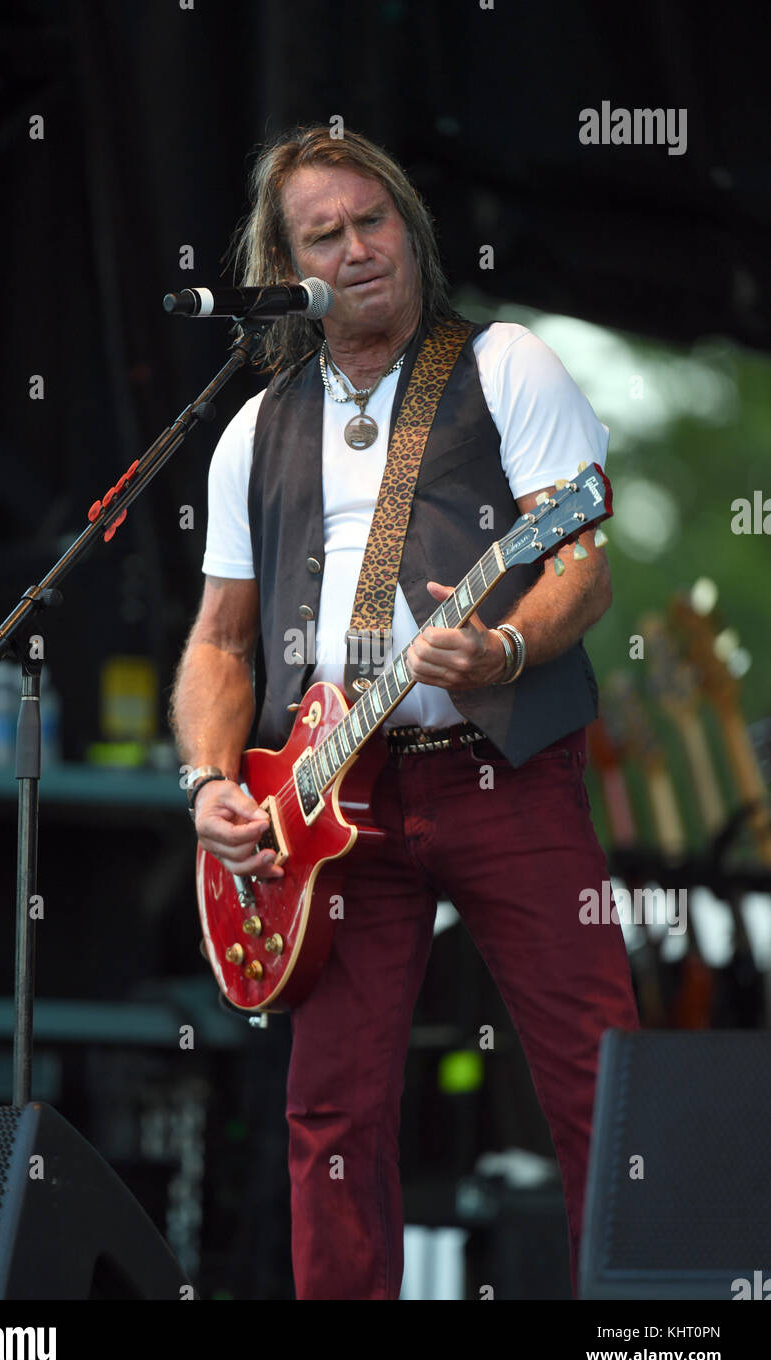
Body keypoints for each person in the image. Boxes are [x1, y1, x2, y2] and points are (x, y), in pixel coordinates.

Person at [170, 124, 640, 1300]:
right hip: (326, 801)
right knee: (328, 1110)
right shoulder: (251, 427)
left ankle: (646, 1321)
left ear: (411, 230)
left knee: (599, 1070)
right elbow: (222, 642)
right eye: (322, 235)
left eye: (372, 220)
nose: (356, 247)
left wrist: (508, 645)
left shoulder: (504, 365)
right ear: (286, 269)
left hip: (499, 770)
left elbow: (577, 558)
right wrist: (209, 777)